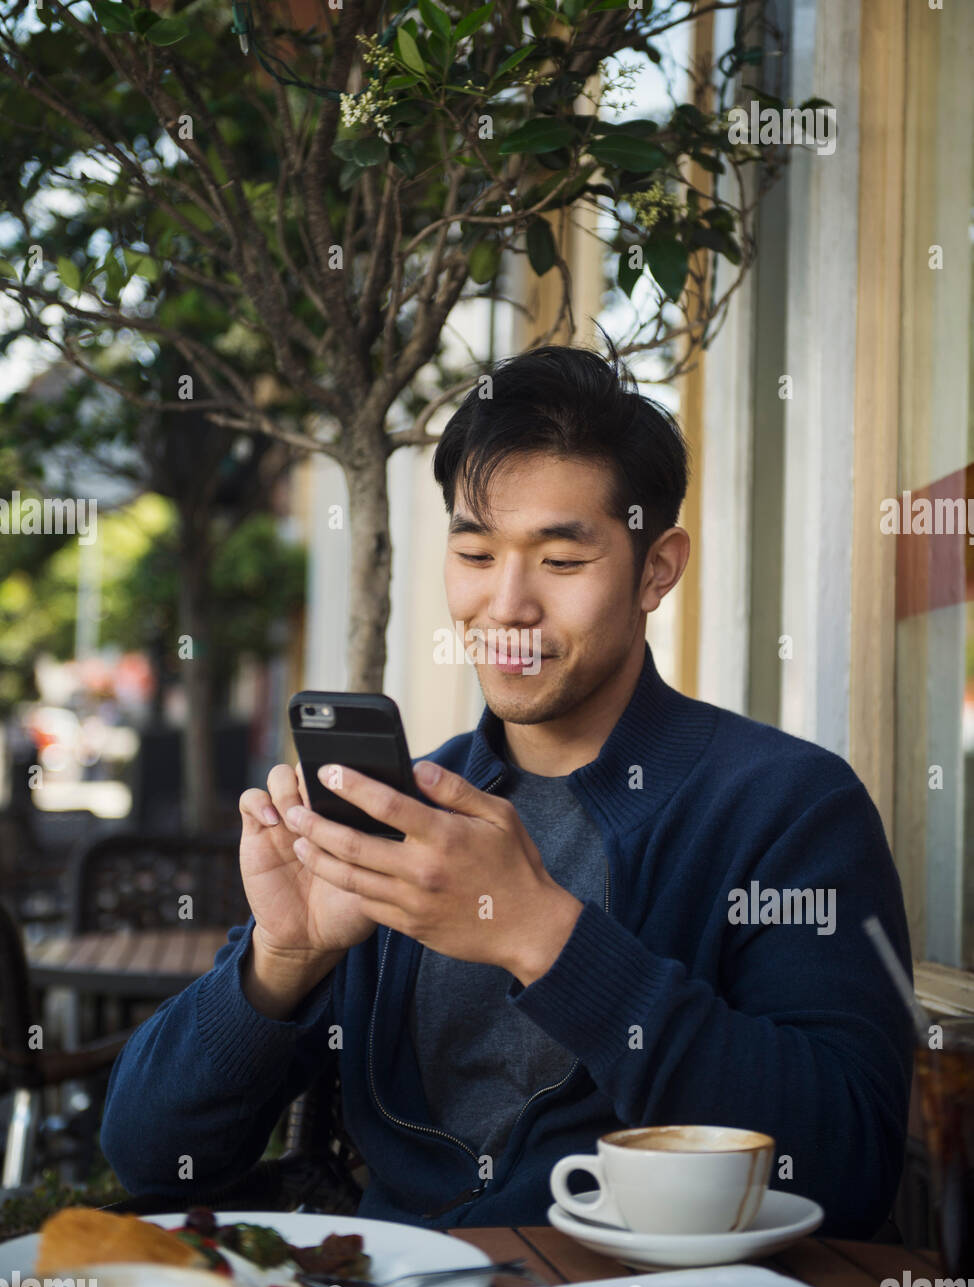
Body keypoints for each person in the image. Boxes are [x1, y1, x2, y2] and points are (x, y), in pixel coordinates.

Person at [100, 343, 914, 1236]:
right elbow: (150, 1156)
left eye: (562, 563)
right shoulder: (407, 808)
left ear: (657, 568)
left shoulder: (787, 805)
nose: (507, 606)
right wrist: (282, 964)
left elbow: (849, 1170)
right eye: (476, 552)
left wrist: (543, 937)